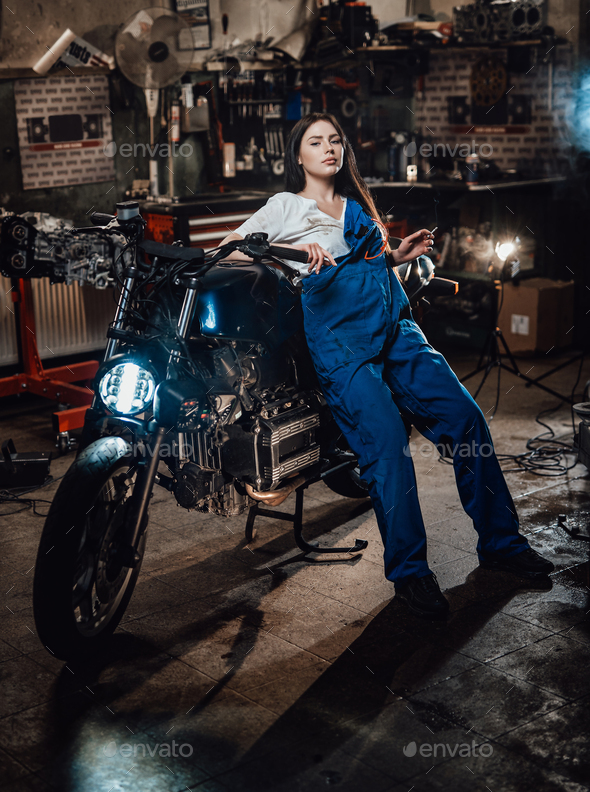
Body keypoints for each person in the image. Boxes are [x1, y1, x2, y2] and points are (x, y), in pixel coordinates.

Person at [220, 113, 554, 619]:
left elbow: (365, 268)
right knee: (388, 451)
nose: (329, 147)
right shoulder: (284, 207)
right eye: (316, 141)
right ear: (298, 156)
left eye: (335, 139)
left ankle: (501, 544)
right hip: (342, 346)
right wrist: (290, 248)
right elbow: (227, 251)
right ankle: (412, 575)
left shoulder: (357, 206)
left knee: (467, 422)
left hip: (396, 329)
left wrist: (397, 255)